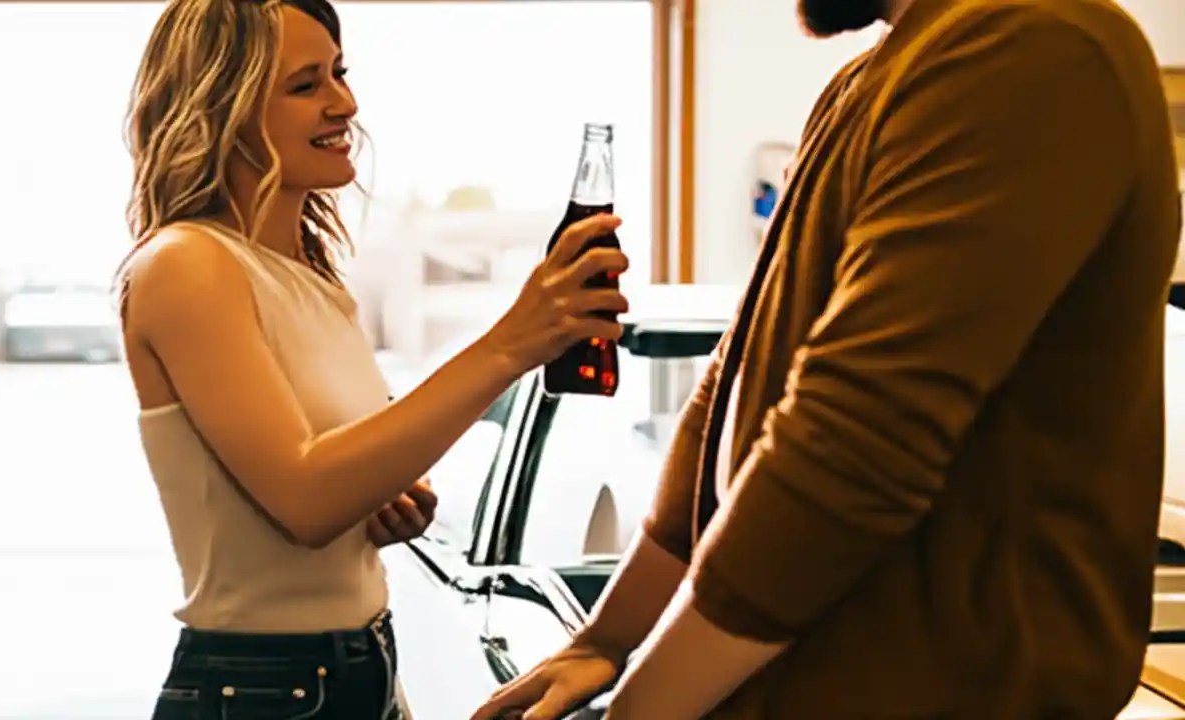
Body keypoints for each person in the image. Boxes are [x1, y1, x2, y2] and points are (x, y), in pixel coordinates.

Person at [472, 0, 1182, 717]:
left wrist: (640, 711)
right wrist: (606, 640)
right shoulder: (867, 82)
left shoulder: (1034, 45)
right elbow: (731, 394)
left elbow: (858, 439)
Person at [114, 0, 630, 717]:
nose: (345, 104)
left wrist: (382, 495)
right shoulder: (185, 265)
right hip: (263, 688)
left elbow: (322, 479)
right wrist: (514, 342)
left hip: (359, 670)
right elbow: (306, 500)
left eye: (340, 74)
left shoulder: (312, 278)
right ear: (222, 108)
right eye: (305, 86)